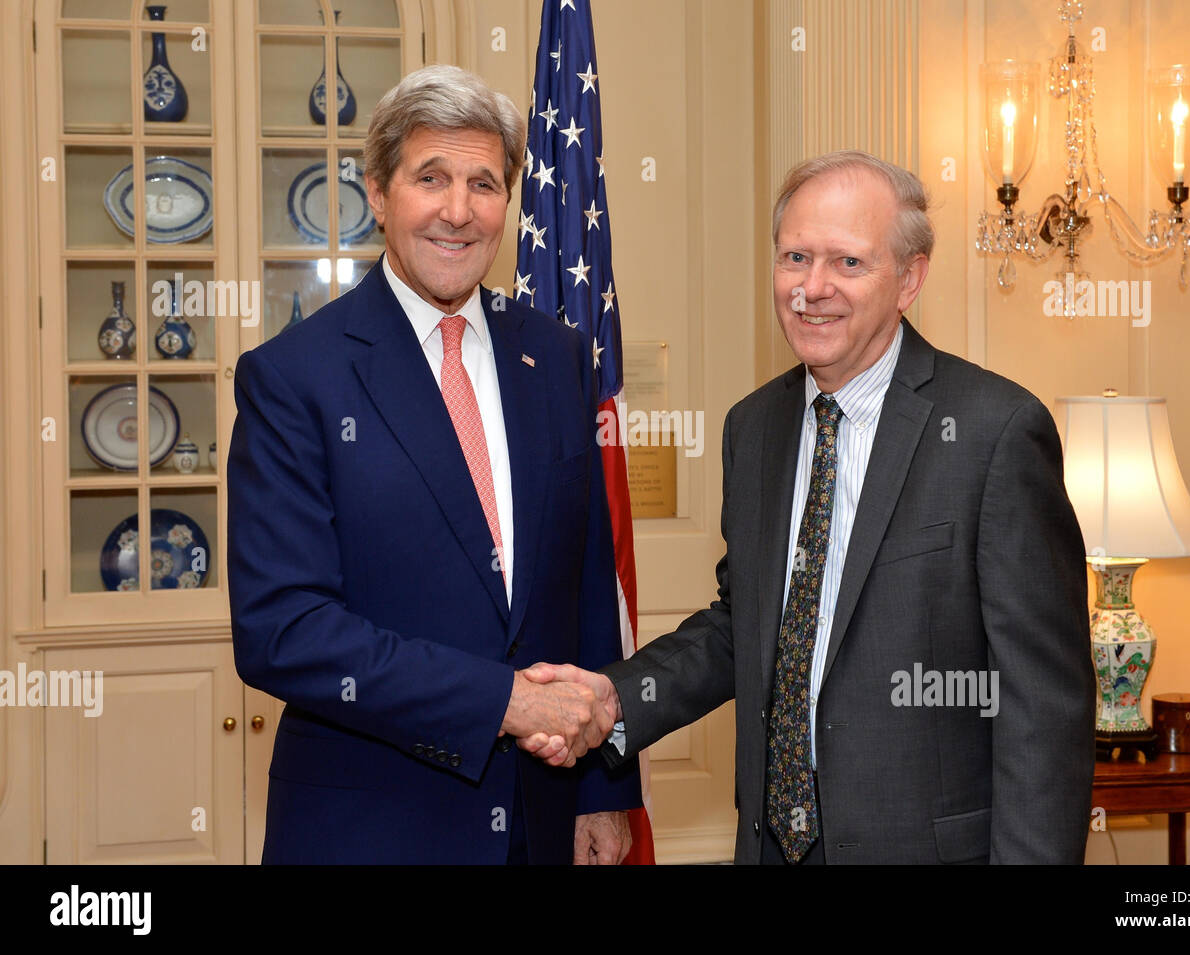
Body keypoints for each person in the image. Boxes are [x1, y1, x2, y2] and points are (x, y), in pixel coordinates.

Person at [521, 150, 1095, 864]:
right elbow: (747, 625)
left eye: (848, 263)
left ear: (909, 278)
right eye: (795, 257)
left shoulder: (995, 432)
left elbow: (1044, 707)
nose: (811, 288)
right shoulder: (753, 428)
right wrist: (614, 698)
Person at [227, 64, 639, 865]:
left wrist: (603, 787)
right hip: (373, 831)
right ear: (378, 193)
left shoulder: (554, 357)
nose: (459, 211)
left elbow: (588, 586)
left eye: (484, 183)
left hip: (542, 820)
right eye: (431, 178)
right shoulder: (294, 377)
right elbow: (284, 631)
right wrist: (505, 702)